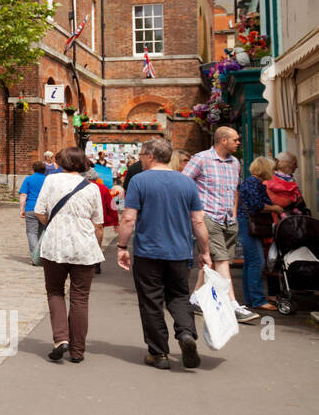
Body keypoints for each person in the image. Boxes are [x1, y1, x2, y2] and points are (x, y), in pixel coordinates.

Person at [117, 137, 211, 370]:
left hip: (149, 251)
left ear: (149, 156)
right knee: (179, 296)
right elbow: (198, 221)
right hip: (180, 252)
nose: (140, 159)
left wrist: (121, 247)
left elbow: (129, 217)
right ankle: (186, 333)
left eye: (141, 155)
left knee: (151, 302)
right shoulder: (187, 183)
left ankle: (159, 353)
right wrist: (205, 251)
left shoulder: (139, 181)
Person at [33, 147, 103, 363]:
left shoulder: (51, 181)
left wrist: (54, 225)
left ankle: (61, 339)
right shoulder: (92, 188)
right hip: (84, 246)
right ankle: (78, 350)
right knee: (80, 298)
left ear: (61, 161)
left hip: (55, 245)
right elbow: (98, 224)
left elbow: (39, 211)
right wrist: (96, 245)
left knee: (55, 291)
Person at [182, 127, 258, 323]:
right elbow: (183, 184)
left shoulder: (235, 163)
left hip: (227, 219)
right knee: (222, 260)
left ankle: (195, 299)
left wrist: (233, 213)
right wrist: (194, 212)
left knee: (214, 262)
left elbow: (234, 190)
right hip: (208, 217)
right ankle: (232, 304)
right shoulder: (201, 159)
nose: (238, 142)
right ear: (223, 140)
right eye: (235, 139)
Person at [239, 156, 285, 312]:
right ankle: (258, 299)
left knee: (250, 263)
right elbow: (256, 205)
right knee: (257, 262)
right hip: (249, 224)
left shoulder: (252, 182)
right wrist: (275, 209)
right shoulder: (253, 183)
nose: (274, 172)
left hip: (247, 224)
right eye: (272, 169)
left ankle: (251, 299)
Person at [18, 161, 48, 265]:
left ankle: (35, 258)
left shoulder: (28, 179)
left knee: (32, 233)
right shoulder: (48, 180)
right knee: (42, 233)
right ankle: (42, 256)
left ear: (33, 169)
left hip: (31, 208)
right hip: (44, 210)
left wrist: (22, 209)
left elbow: (23, 195)